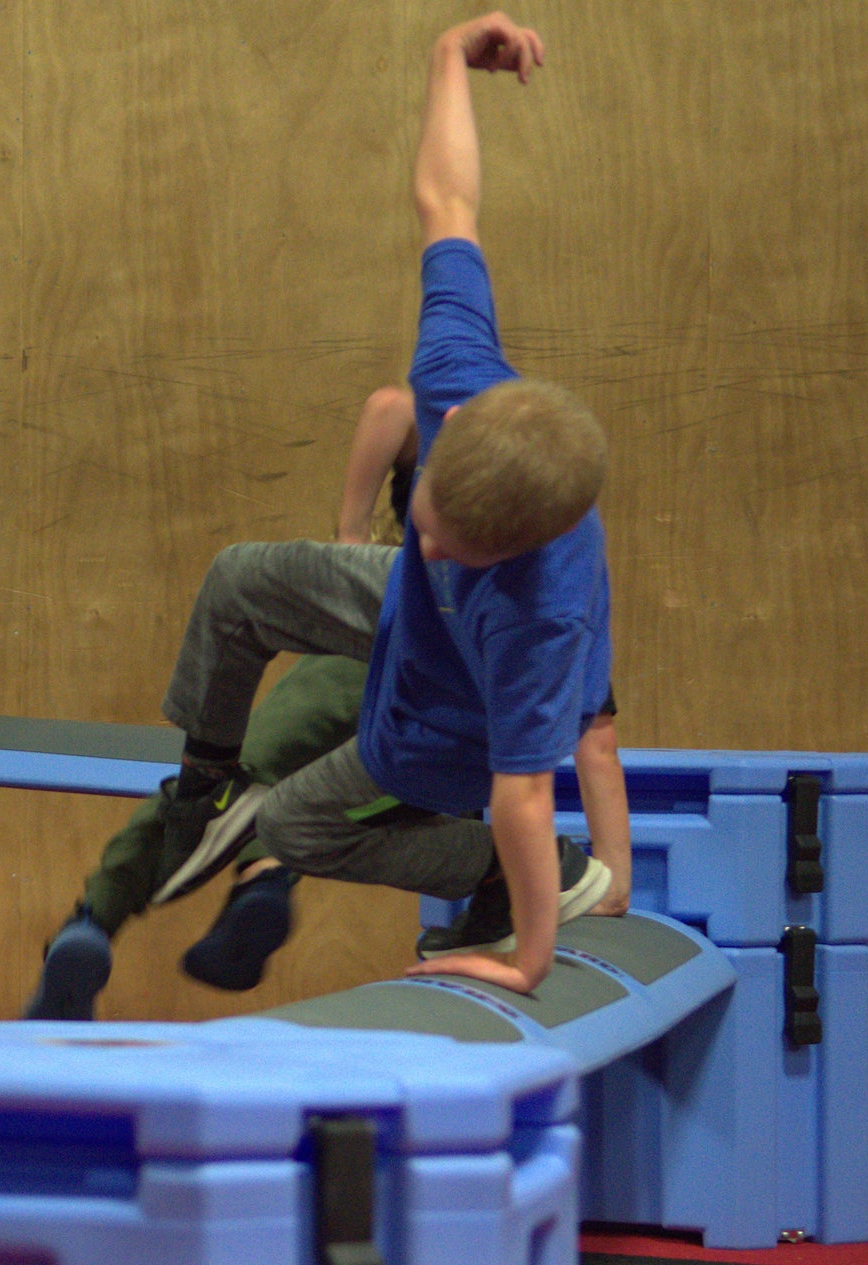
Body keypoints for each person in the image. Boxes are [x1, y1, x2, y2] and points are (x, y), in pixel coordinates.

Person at [150, 12, 629, 997]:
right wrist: (447, 56)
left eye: (454, 545)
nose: (428, 539)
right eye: (429, 516)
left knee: (294, 825)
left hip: (450, 707)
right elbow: (448, 200)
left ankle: (496, 873)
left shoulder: (538, 620)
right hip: (408, 609)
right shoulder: (457, 381)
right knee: (239, 581)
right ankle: (203, 782)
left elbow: (528, 789)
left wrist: (529, 957)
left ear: (513, 551)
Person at [24, 387, 406, 1021]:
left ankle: (94, 919)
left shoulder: (442, 417)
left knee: (228, 784)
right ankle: (264, 880)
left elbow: (388, 414)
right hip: (457, 701)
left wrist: (354, 542)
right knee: (324, 794)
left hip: (379, 628)